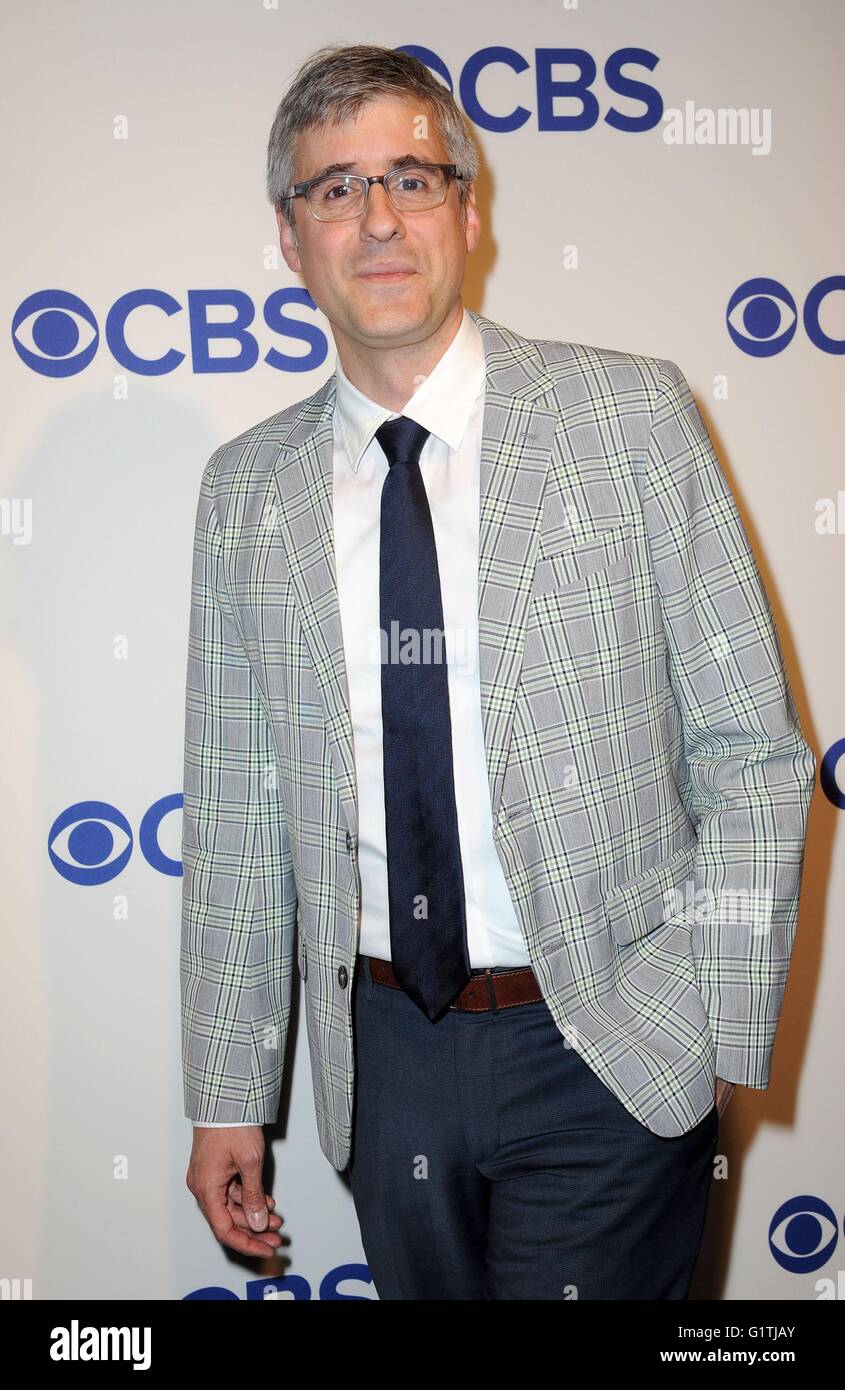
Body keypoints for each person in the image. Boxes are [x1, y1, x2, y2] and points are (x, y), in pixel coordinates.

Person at [180, 42, 816, 1299]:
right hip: (383, 1061)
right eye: (334, 188)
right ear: (288, 235)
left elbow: (752, 751)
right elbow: (240, 817)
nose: (376, 219)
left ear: (468, 211)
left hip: (610, 1039)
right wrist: (224, 1092)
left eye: (412, 179)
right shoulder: (243, 489)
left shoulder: (628, 417)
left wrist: (703, 1021)